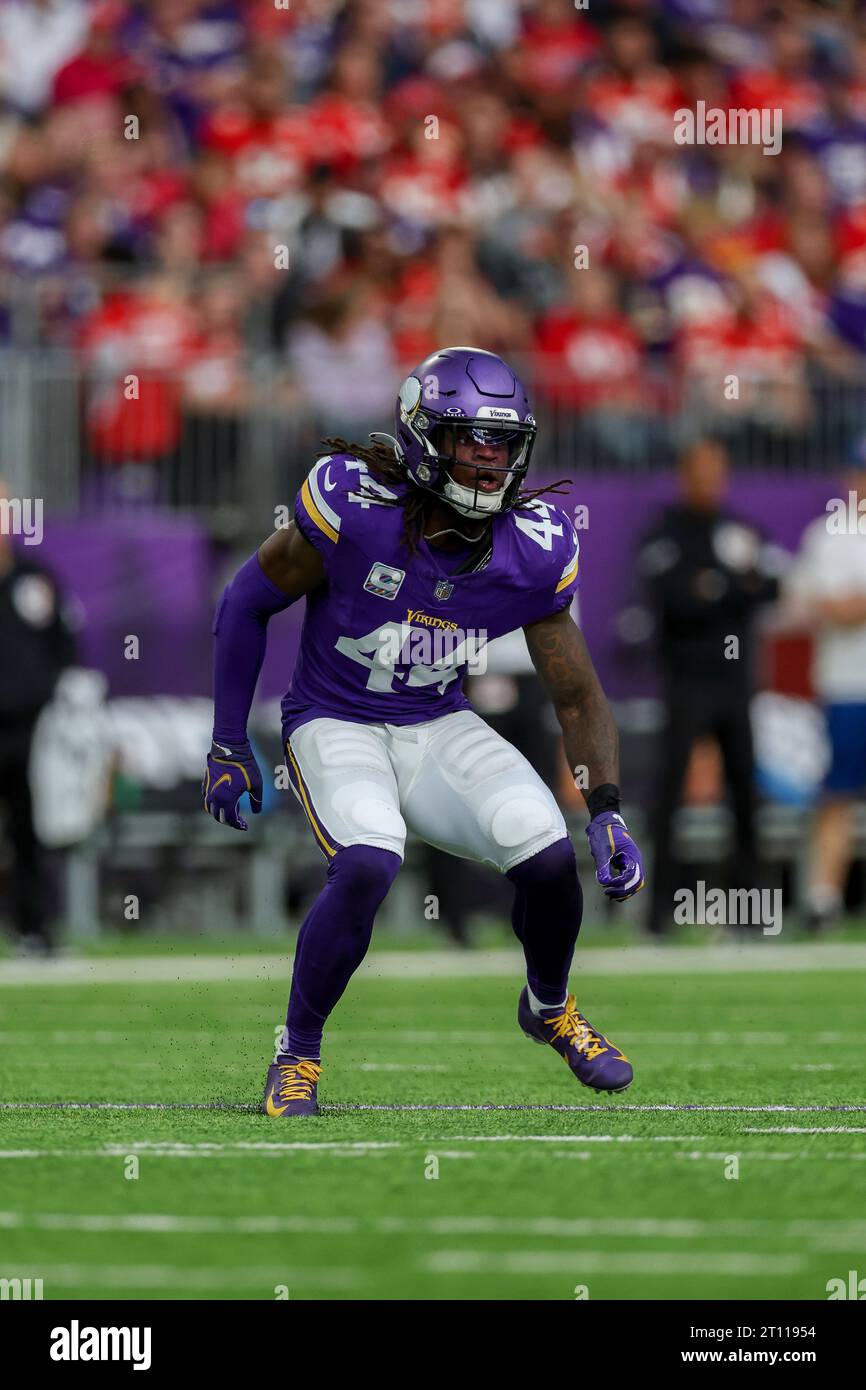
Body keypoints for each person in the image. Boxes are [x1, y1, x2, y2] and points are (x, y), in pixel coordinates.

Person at [204, 347, 645, 1116]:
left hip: (434, 722)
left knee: (546, 853)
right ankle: (297, 1054)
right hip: (334, 718)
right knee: (370, 863)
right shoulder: (354, 506)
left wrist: (606, 805)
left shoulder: (533, 547)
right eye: (470, 439)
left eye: (503, 444)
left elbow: (575, 695)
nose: (488, 459)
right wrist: (227, 742)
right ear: (421, 437)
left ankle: (549, 1009)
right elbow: (245, 604)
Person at [639, 439, 780, 936]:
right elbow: (674, 598)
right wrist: (731, 586)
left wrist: (716, 584)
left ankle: (749, 914)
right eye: (701, 471)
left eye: (717, 471)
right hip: (687, 680)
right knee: (670, 796)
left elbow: (771, 587)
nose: (710, 481)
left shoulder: (738, 529)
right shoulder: (667, 531)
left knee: (745, 794)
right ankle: (658, 913)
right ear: (684, 474)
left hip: (735, 682)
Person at [786, 450, 866, 930]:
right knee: (836, 795)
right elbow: (823, 607)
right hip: (845, 685)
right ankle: (823, 900)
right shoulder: (826, 537)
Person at [0, 479, 77, 952]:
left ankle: (35, 928)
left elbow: (62, 649)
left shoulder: (34, 579)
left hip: (30, 728)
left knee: (30, 830)